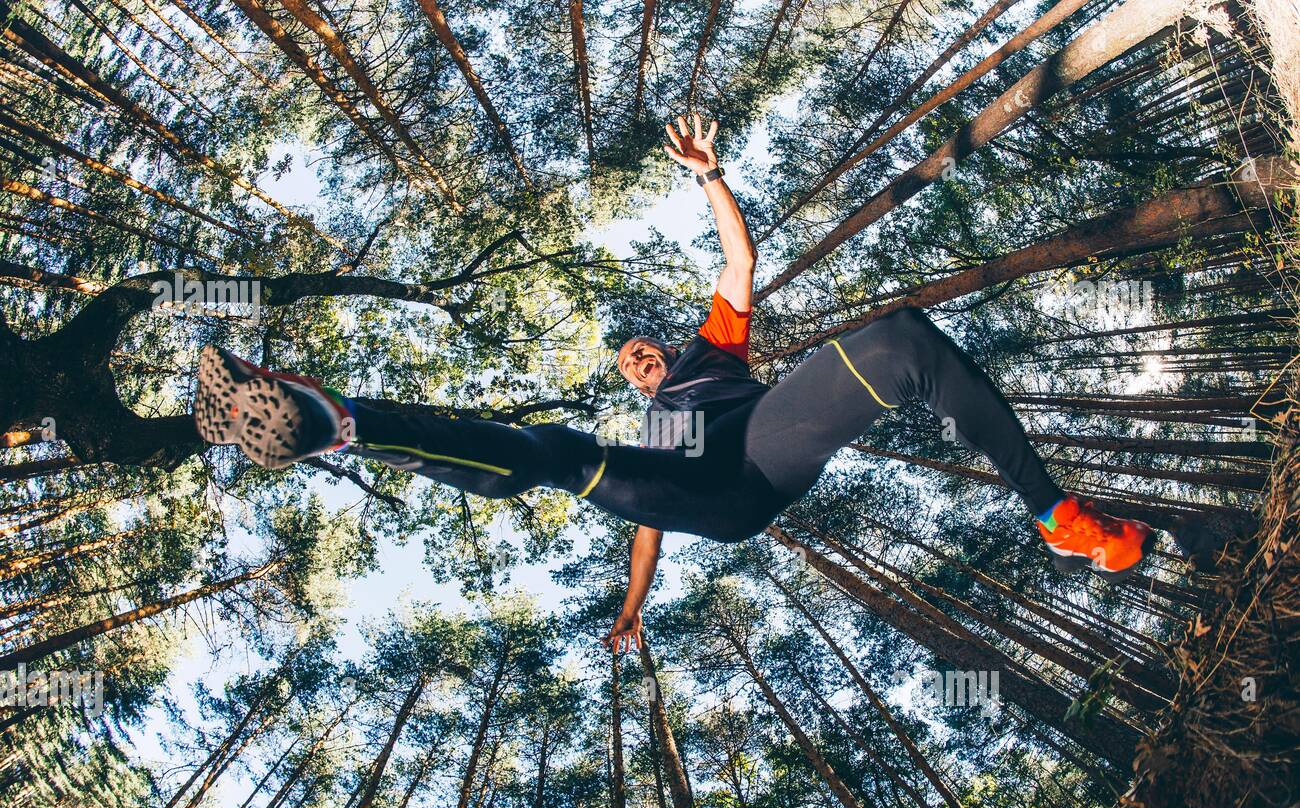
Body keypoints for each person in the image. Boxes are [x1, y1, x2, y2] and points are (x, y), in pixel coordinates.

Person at [192, 114, 1153, 654]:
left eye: (643, 354)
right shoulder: (654, 430)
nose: (641, 365)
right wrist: (631, 607)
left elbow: (740, 259)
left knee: (901, 338)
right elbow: (649, 522)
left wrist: (711, 177)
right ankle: (338, 423)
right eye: (630, 367)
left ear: (664, 345)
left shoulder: (713, 352)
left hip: (763, 435)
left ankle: (1058, 515)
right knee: (558, 454)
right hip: (718, 491)